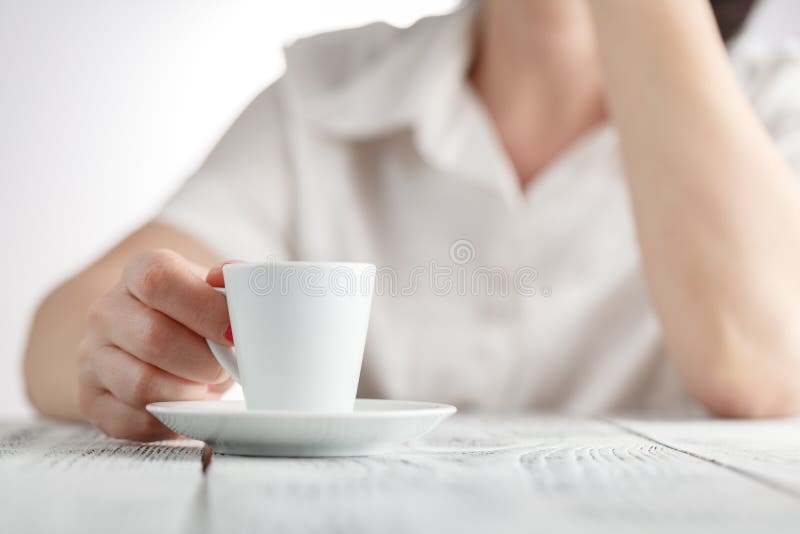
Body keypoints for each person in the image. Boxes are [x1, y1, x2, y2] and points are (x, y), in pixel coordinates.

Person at [23, 0, 800, 441]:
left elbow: (757, 367)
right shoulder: (327, 95)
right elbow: (60, 330)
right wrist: (129, 349)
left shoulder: (773, 112)